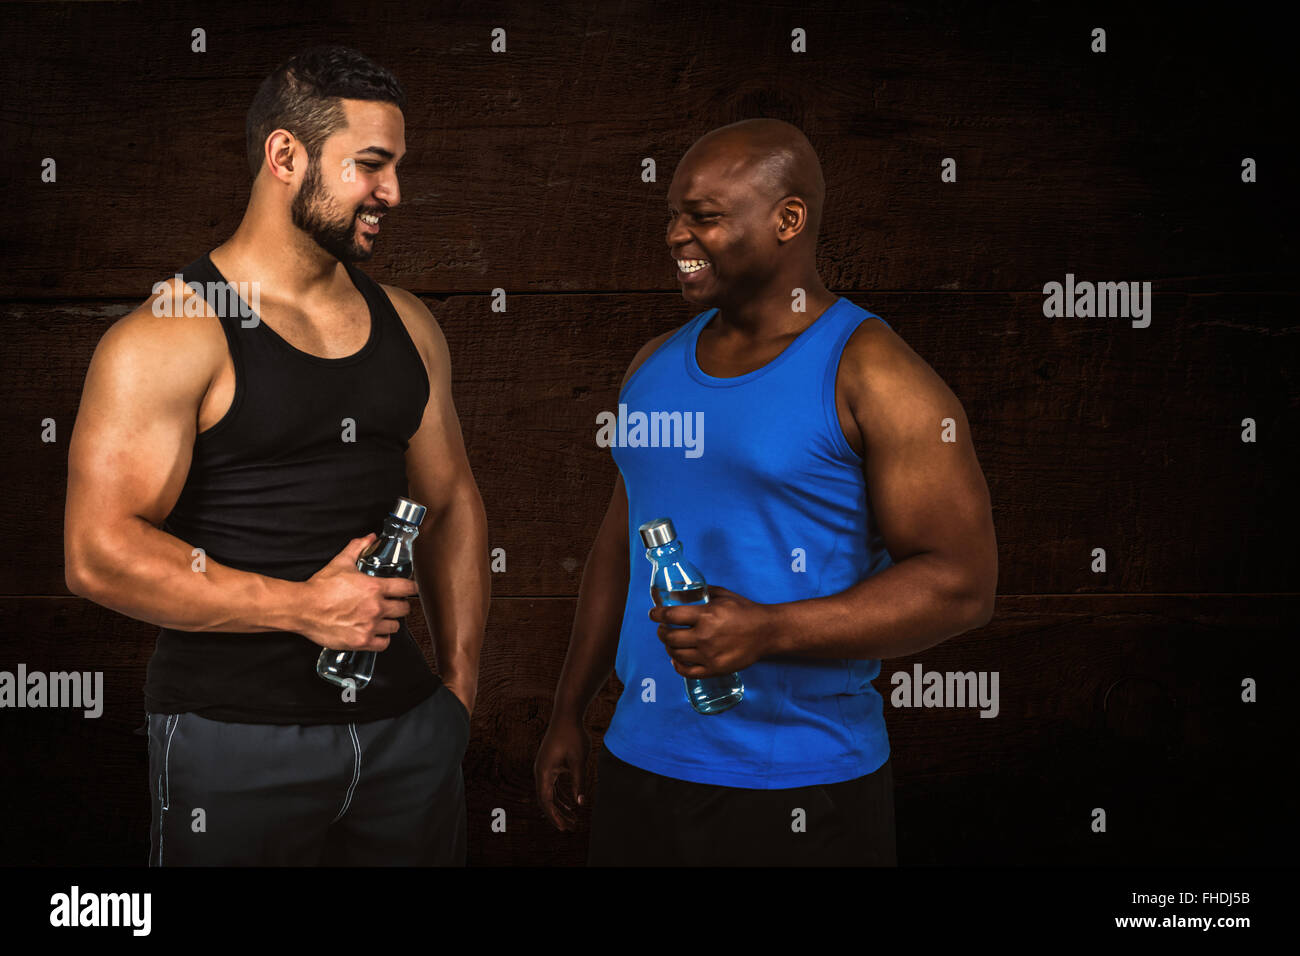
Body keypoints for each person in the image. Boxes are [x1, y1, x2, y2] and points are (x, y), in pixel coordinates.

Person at [63, 45, 488, 866]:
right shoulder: (170, 334)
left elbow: (450, 502)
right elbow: (97, 553)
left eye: (397, 167)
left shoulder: (409, 323)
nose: (393, 192)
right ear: (285, 156)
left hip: (407, 735)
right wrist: (301, 608)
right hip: (235, 742)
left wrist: (458, 693)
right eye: (371, 165)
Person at [535, 118, 998, 866]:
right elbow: (621, 547)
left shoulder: (874, 373)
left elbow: (962, 585)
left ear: (788, 220)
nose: (676, 236)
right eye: (673, 216)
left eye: (704, 217)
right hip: (641, 764)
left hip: (803, 786)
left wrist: (769, 630)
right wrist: (569, 709)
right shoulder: (652, 366)